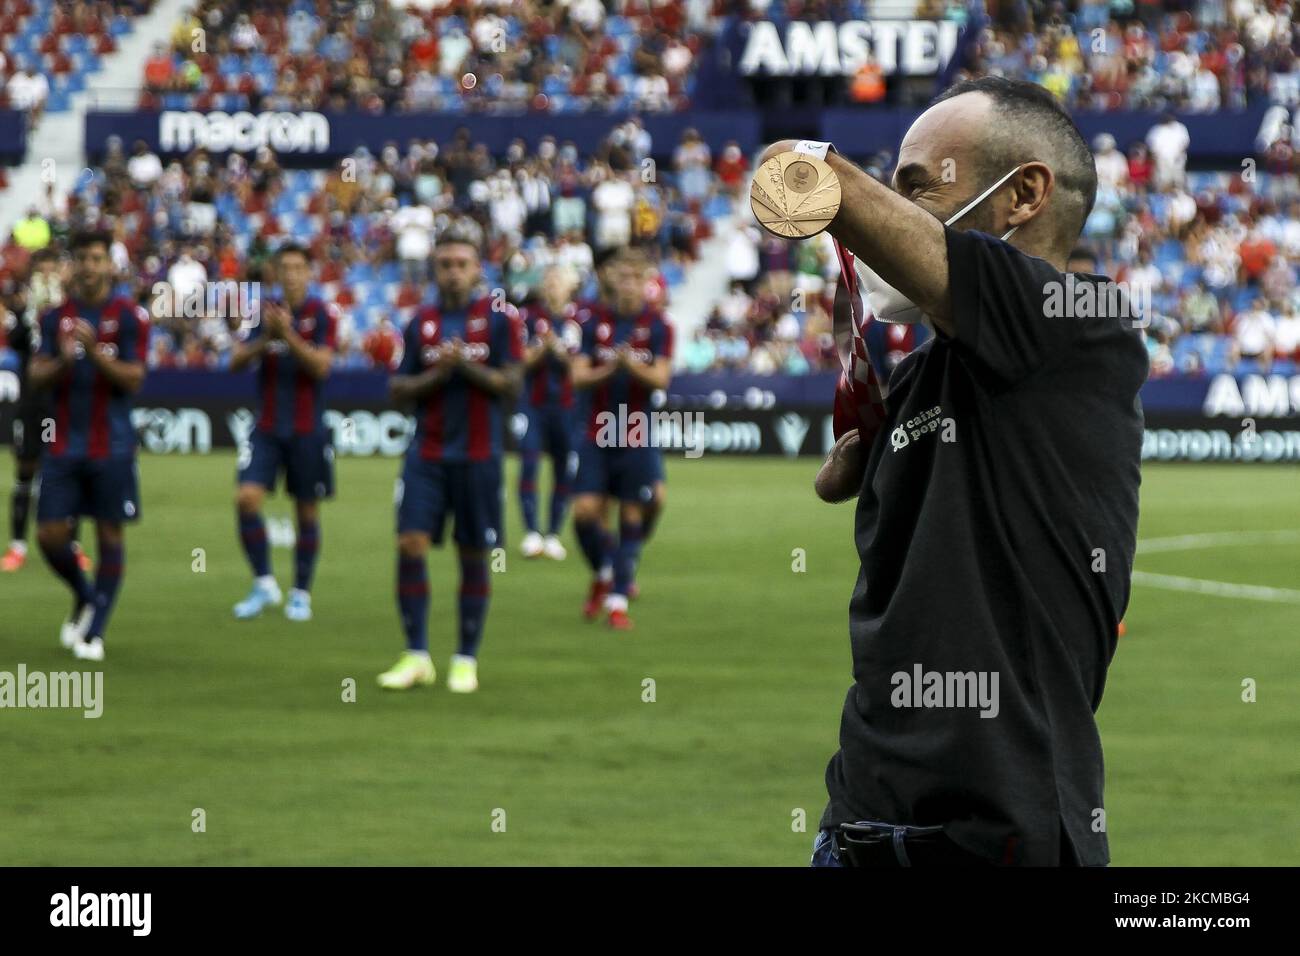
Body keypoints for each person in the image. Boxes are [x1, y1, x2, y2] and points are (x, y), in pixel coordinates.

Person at [772, 76, 1147, 866]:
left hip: (997, 834)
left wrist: (808, 163)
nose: (899, 209)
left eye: (918, 188)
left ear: (1024, 195)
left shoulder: (1074, 322)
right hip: (860, 823)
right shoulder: (919, 378)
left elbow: (823, 186)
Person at [379, 233, 523, 693]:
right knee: (410, 543)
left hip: (480, 456)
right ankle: (416, 653)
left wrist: (466, 368)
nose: (454, 271)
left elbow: (513, 386)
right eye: (445, 264)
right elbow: (398, 390)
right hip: (427, 454)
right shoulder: (420, 322)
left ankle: (465, 658)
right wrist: (438, 374)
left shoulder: (501, 321)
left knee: (473, 553)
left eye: (462, 263)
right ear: (434, 270)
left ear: (478, 268)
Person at [27, 230, 150, 661]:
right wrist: (63, 358)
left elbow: (134, 379)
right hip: (63, 443)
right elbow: (35, 375)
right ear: (74, 265)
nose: (90, 266)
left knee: (109, 533)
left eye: (97, 258)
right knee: (49, 534)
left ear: (109, 265)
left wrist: (94, 353)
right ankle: (85, 595)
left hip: (112, 445)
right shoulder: (54, 317)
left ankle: (95, 633)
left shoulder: (130, 316)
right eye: (83, 258)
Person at [228, 244, 339, 622]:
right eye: (285, 267)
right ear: (275, 272)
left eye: (298, 267)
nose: (291, 274)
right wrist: (265, 338)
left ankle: (301, 593)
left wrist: (288, 336)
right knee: (246, 498)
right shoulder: (264, 314)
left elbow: (321, 367)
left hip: (308, 428)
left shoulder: (321, 313)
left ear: (310, 272)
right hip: (268, 427)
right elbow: (235, 362)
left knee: (306, 511)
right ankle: (264, 582)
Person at [569, 246, 673, 631]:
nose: (629, 285)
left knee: (634, 512)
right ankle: (605, 571)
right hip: (597, 430)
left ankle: (616, 599)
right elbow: (578, 376)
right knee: (584, 514)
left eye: (637, 277)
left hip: (635, 431)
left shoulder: (659, 325)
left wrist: (632, 367)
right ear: (610, 279)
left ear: (647, 282)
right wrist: (613, 368)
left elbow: (661, 378)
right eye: (623, 277)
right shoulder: (590, 322)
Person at [517, 265, 580, 561]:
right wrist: (544, 350)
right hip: (533, 404)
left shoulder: (578, 319)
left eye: (558, 280)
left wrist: (559, 352)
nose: (552, 286)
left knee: (563, 469)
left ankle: (553, 534)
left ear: (569, 287)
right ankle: (532, 533)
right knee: (529, 464)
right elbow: (520, 362)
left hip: (568, 407)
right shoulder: (529, 317)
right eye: (548, 280)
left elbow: (580, 366)